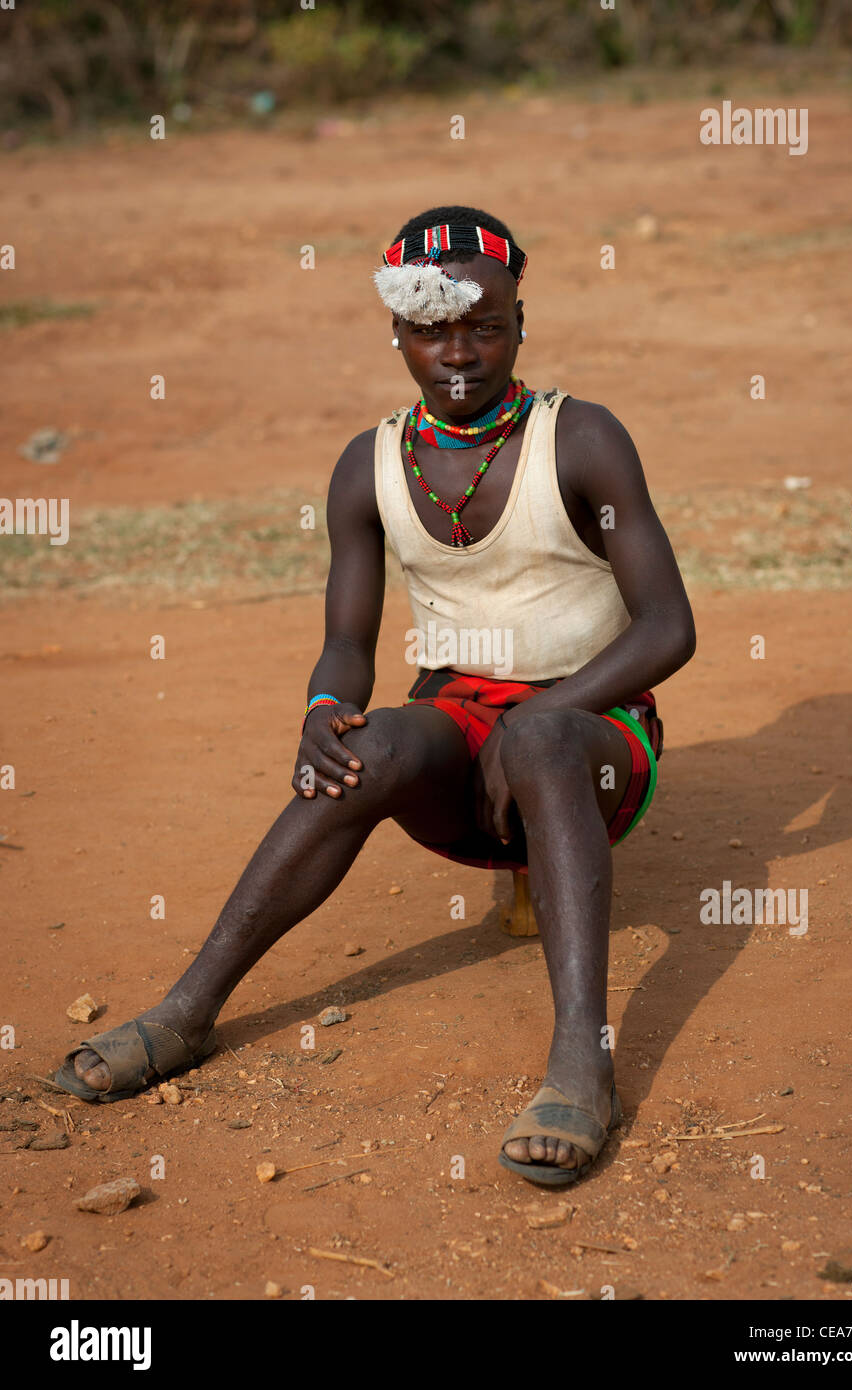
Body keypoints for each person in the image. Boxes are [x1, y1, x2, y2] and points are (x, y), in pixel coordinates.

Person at [54, 205, 695, 1187]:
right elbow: (346, 645)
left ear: (521, 321)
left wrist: (545, 712)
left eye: (483, 324)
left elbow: (665, 628)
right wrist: (322, 713)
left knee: (545, 746)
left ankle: (581, 1061)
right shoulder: (370, 465)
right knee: (375, 744)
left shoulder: (584, 439)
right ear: (395, 334)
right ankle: (186, 1013)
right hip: (461, 736)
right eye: (431, 329)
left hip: (597, 734)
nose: (459, 352)